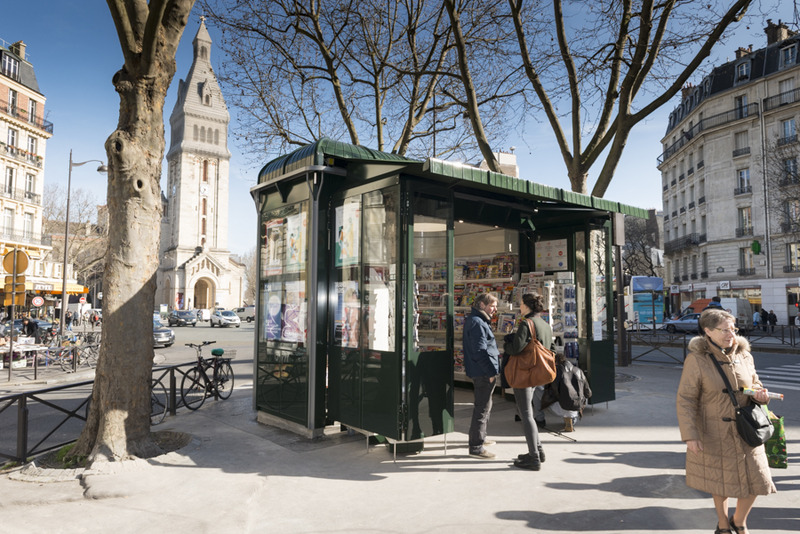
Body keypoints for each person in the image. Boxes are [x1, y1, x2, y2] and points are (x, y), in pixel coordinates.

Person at [677, 309, 775, 534]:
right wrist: (690, 435)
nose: (731, 334)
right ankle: (723, 524)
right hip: (714, 430)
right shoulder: (696, 359)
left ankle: (739, 520)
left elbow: (755, 383)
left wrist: (760, 394)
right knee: (719, 481)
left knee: (758, 479)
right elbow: (686, 399)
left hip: (747, 429)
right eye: (724, 330)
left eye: (733, 328)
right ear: (708, 331)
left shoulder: (744, 355)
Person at [503, 293, 552, 470]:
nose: (520, 306)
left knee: (526, 414)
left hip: (524, 373)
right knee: (529, 411)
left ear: (527, 306)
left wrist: (506, 344)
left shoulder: (526, 323)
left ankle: (533, 457)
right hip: (538, 373)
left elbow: (516, 349)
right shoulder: (545, 324)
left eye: (521, 304)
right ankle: (538, 450)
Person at [463, 292, 500, 460]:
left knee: (485, 407)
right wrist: (490, 372)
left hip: (482, 372)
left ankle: (480, 438)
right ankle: (476, 446)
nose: (495, 309)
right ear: (482, 305)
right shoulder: (477, 323)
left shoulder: (477, 320)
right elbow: (479, 351)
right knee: (482, 408)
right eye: (492, 306)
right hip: (484, 373)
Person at [534, 352, 592, 433]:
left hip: (563, 406)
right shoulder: (579, 371)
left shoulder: (556, 372)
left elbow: (552, 392)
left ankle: (539, 420)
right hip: (576, 408)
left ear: (556, 362)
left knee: (536, 389)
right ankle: (571, 419)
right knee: (579, 395)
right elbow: (588, 393)